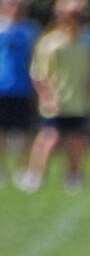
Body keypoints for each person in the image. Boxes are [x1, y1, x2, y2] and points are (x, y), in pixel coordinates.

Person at [16, 0, 90, 193]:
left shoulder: (84, 42)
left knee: (75, 140)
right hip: (57, 101)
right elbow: (39, 74)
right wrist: (47, 95)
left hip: (77, 101)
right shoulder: (50, 43)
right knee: (49, 137)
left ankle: (73, 175)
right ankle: (35, 174)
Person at [0, 0, 40, 186]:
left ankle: (21, 169)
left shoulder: (30, 29)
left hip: (22, 87)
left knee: (23, 131)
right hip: (2, 86)